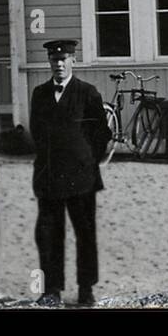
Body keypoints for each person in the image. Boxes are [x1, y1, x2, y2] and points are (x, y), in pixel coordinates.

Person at [29, 39, 111, 307]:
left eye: (64, 59)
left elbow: (102, 133)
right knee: (49, 235)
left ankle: (86, 289)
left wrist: (87, 161)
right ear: (50, 62)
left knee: (85, 234)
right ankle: (51, 289)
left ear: (73, 60)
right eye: (55, 59)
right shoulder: (39, 94)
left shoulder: (87, 93)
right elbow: (37, 132)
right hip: (49, 177)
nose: (59, 64)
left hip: (81, 179)